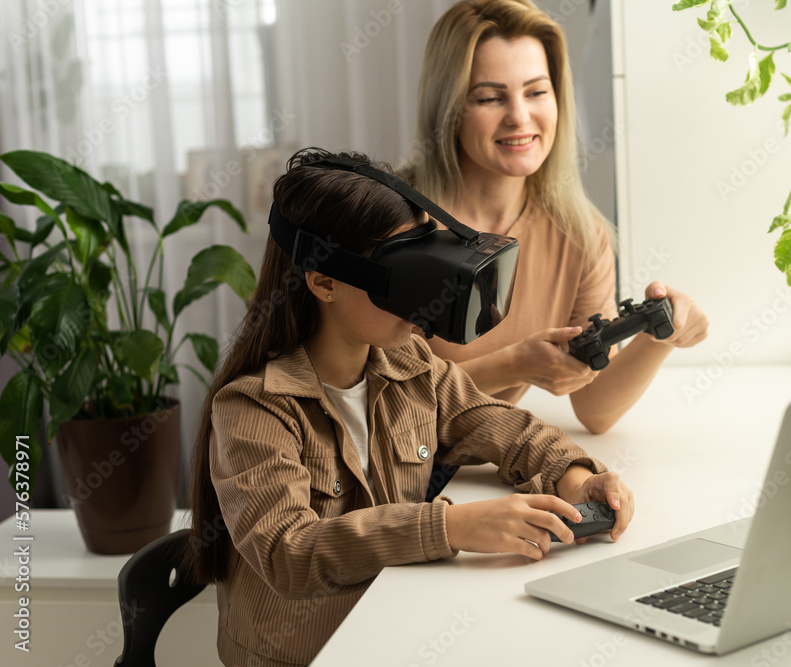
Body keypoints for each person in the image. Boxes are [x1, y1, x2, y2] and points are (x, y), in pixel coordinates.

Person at [183, 148, 635, 667]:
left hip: (399, 634)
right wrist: (452, 526)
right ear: (323, 281)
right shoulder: (252, 410)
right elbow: (292, 553)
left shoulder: (409, 363)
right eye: (404, 271)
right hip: (308, 655)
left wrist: (576, 477)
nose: (428, 293)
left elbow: (502, 427)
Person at [402, 0, 709, 435]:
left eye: (536, 91)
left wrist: (660, 334)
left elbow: (596, 409)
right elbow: (375, 401)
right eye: (489, 97)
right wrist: (514, 365)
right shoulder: (393, 222)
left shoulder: (580, 234)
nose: (519, 117)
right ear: (448, 108)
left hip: (494, 476)